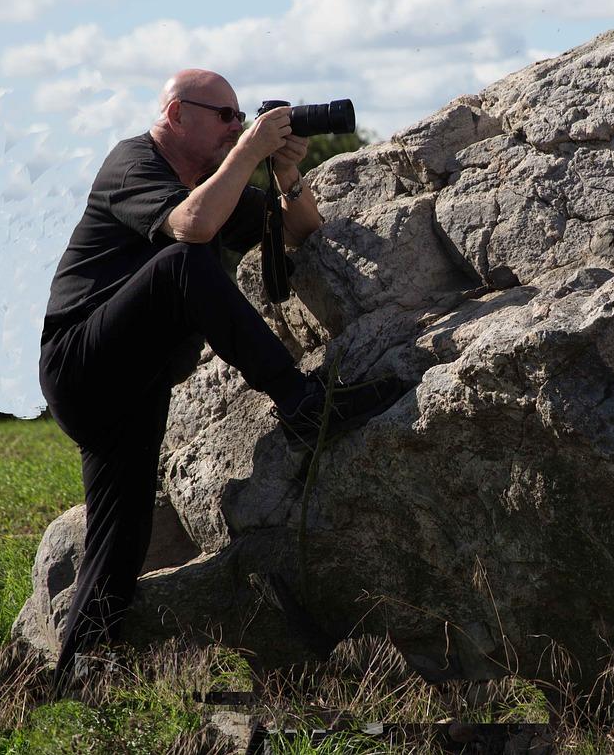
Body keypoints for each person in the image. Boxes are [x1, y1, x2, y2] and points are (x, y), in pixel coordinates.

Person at [37, 68, 399, 696]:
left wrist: (285, 169)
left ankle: (77, 678)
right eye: (226, 115)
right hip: (83, 365)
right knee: (185, 262)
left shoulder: (215, 179)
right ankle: (302, 404)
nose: (236, 127)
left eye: (240, 118)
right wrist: (246, 151)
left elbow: (301, 233)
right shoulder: (132, 162)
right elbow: (192, 230)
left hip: (137, 383)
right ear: (178, 115)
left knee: (120, 539)